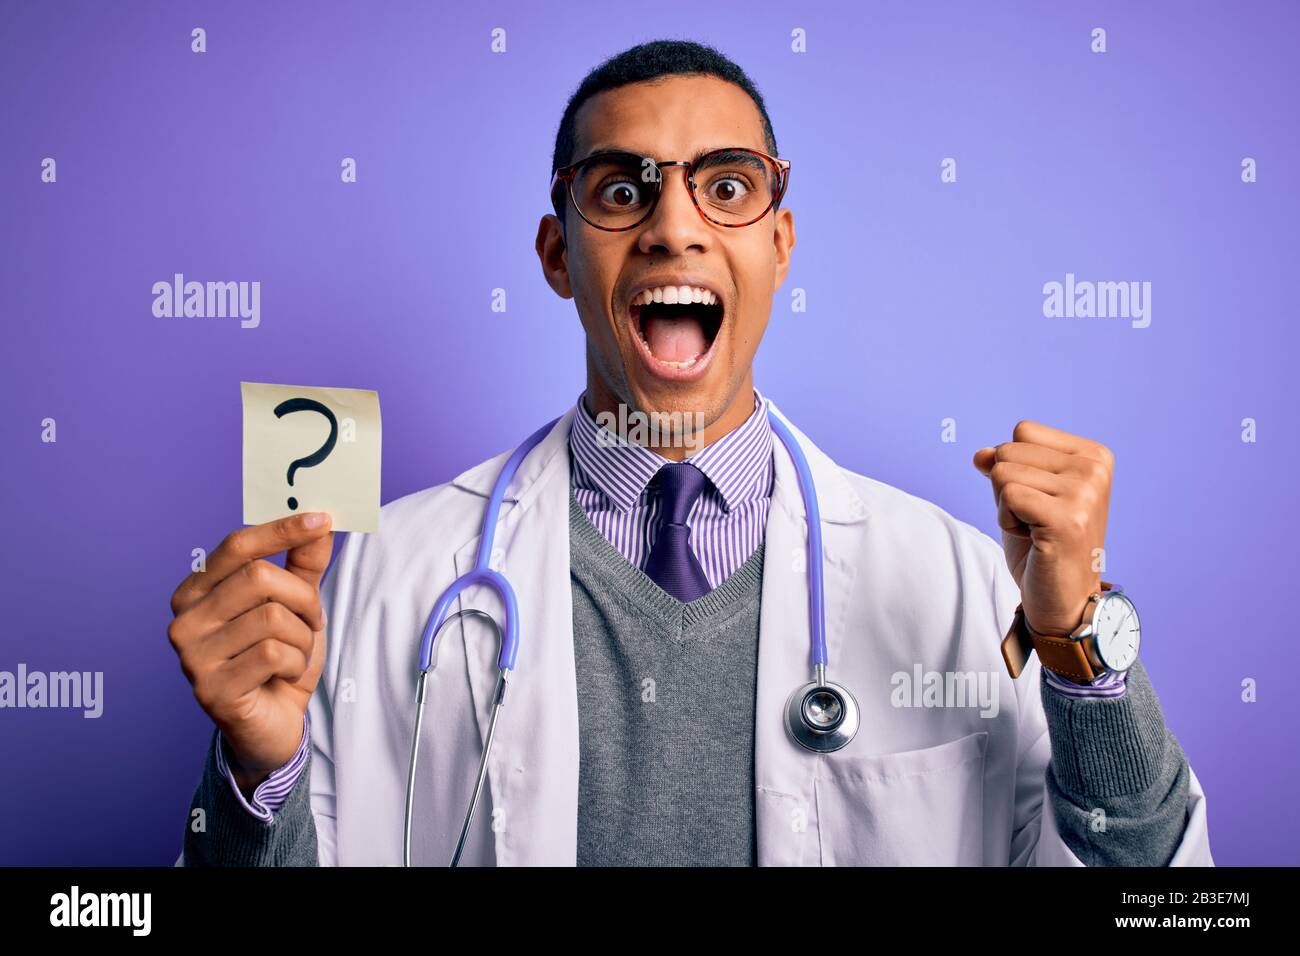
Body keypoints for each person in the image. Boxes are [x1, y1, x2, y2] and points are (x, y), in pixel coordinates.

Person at [167, 39, 1212, 866]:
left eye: (725, 186)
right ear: (555, 256)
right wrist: (257, 771)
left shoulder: (956, 578)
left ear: (779, 243)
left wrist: (1077, 643)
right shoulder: (390, 573)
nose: (674, 225)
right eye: (623, 189)